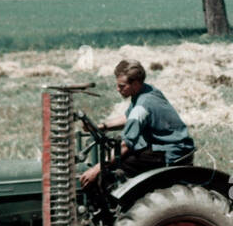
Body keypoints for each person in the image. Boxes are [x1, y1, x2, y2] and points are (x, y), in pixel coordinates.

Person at [79, 59, 194, 189]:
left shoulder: (142, 106)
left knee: (114, 169)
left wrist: (96, 169)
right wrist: (102, 126)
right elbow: (129, 117)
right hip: (171, 145)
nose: (118, 89)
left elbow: (125, 145)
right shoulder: (147, 90)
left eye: (122, 86)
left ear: (135, 83)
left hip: (171, 151)